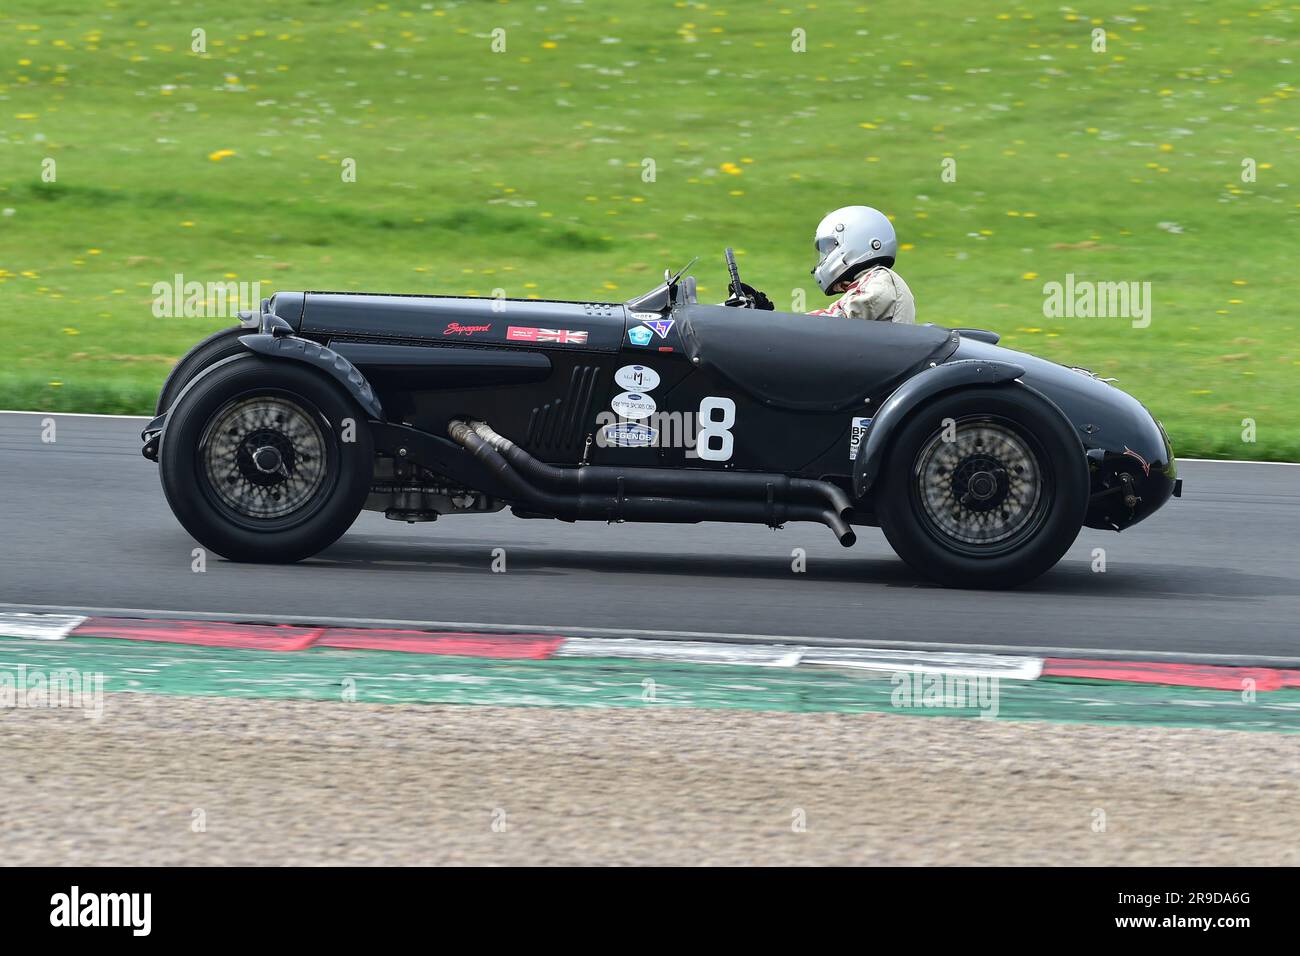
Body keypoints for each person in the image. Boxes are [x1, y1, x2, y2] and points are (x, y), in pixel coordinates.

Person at [808, 205, 915, 324]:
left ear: (857, 239)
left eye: (830, 249)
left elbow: (837, 320)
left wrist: (793, 324)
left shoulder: (881, 281)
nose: (827, 255)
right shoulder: (866, 284)